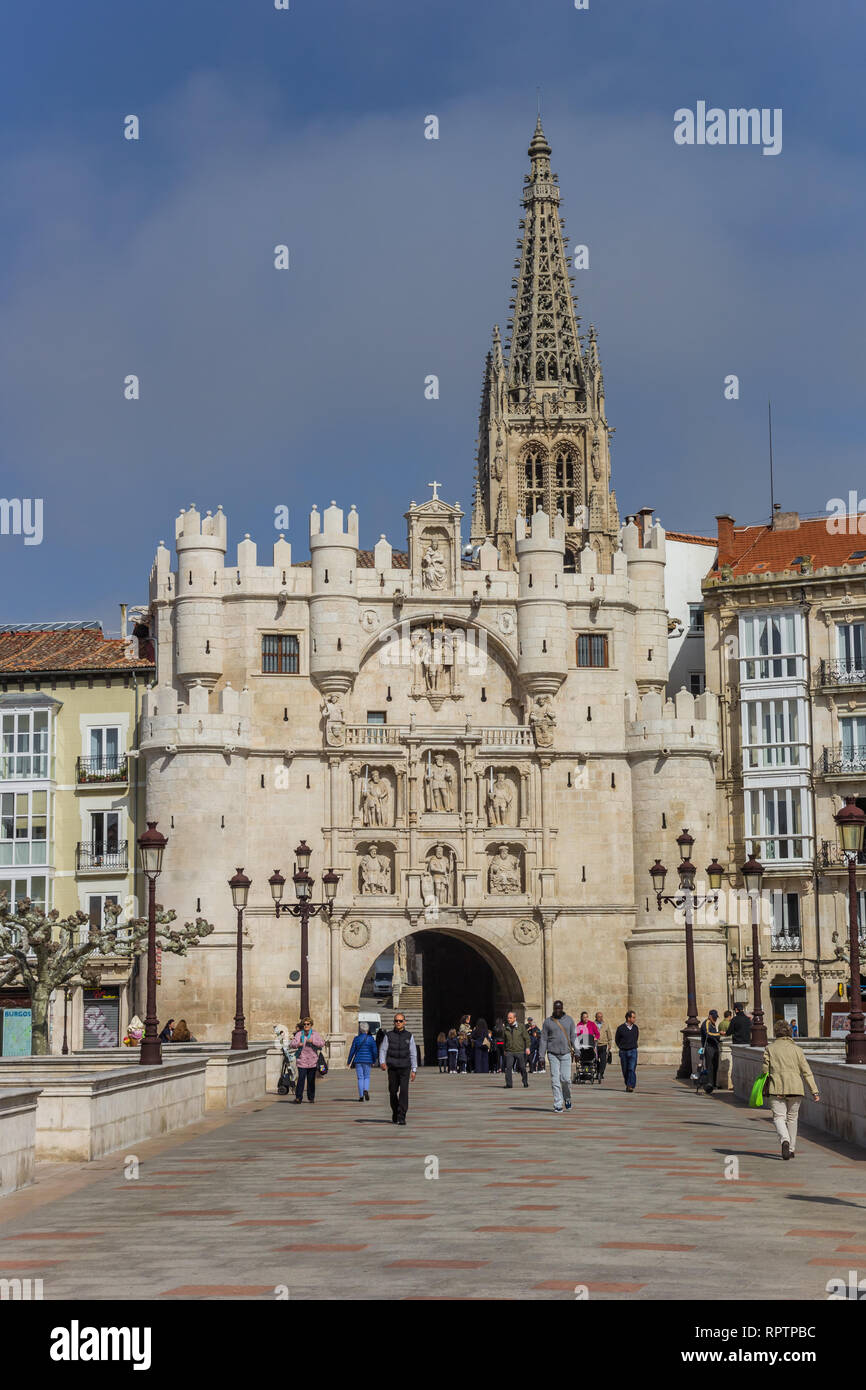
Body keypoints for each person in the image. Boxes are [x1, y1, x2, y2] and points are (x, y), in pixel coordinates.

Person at [760, 1018, 820, 1160]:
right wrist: (814, 1091)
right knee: (792, 1118)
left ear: (776, 1033)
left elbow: (764, 1070)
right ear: (789, 1033)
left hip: (777, 1087)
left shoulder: (770, 1049)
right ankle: (791, 1149)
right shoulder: (797, 1050)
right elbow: (806, 1071)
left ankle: (784, 1139)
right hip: (795, 1088)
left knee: (779, 1117)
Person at [379, 1011, 418, 1125]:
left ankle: (402, 1116)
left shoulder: (409, 1036)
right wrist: (382, 1062)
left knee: (404, 1092)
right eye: (396, 1021)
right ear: (394, 1022)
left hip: (405, 1067)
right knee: (392, 1091)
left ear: (404, 1022)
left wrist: (414, 1069)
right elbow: (383, 1049)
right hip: (393, 1067)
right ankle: (395, 1111)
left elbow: (413, 1053)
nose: (398, 1023)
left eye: (400, 1021)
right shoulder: (389, 1035)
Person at [539, 1001, 577, 1113]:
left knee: (565, 1079)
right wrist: (541, 1056)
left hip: (566, 1053)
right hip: (552, 1054)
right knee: (555, 1080)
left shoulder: (569, 1020)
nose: (557, 1010)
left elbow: (573, 1036)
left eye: (559, 1008)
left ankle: (567, 1097)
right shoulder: (548, 1022)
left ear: (562, 1008)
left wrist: (578, 1051)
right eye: (555, 1008)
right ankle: (558, 1103)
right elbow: (543, 1039)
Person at [291, 1017, 325, 1103]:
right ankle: (298, 1097)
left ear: (311, 1025)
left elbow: (322, 1043)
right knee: (301, 1079)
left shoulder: (315, 1034)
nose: (306, 1026)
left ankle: (311, 1097)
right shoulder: (299, 1034)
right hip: (302, 1060)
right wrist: (298, 1044)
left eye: (308, 1024)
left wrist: (313, 1041)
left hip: (312, 1061)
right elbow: (292, 1044)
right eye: (304, 1024)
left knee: (311, 1081)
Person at [346, 1022, 378, 1102]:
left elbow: (352, 1050)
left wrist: (349, 1061)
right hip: (368, 1060)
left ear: (360, 1029)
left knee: (360, 1078)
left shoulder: (356, 1039)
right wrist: (374, 1060)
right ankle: (366, 1090)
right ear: (367, 1029)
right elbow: (374, 1051)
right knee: (367, 1077)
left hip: (358, 1060)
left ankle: (361, 1096)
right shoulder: (371, 1039)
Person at [502, 1010, 531, 1089]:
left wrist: (527, 1047)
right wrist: (504, 1049)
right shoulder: (506, 1028)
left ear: (515, 1018)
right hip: (509, 1051)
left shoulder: (521, 1027)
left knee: (522, 1067)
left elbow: (527, 1038)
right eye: (508, 1018)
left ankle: (525, 1082)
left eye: (510, 1018)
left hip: (519, 1051)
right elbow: (504, 1040)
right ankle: (509, 1084)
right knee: (508, 1068)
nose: (509, 1019)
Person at [615, 1011, 639, 1092]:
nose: (634, 1019)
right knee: (625, 1070)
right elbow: (617, 1039)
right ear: (628, 1018)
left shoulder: (635, 1028)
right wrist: (621, 1047)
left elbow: (636, 1038)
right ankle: (628, 1083)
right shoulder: (620, 1028)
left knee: (631, 1068)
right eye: (633, 1017)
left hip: (633, 1051)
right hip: (623, 1052)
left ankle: (630, 1085)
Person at [700, 1010, 722, 1088]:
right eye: (714, 1017)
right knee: (710, 1066)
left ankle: (714, 1084)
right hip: (709, 1047)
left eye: (716, 1017)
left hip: (714, 1047)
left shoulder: (713, 1024)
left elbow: (714, 1035)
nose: (715, 1019)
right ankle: (709, 1084)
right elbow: (708, 1033)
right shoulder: (706, 1023)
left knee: (715, 1065)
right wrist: (719, 1033)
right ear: (710, 1016)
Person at [594, 1010, 612, 1082]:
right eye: (599, 1017)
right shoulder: (593, 1024)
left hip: (604, 1044)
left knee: (603, 1060)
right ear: (596, 1017)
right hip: (596, 1045)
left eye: (601, 1017)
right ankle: (598, 1072)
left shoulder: (606, 1024)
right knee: (595, 1060)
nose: (600, 1018)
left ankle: (601, 1073)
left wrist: (610, 1044)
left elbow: (609, 1035)